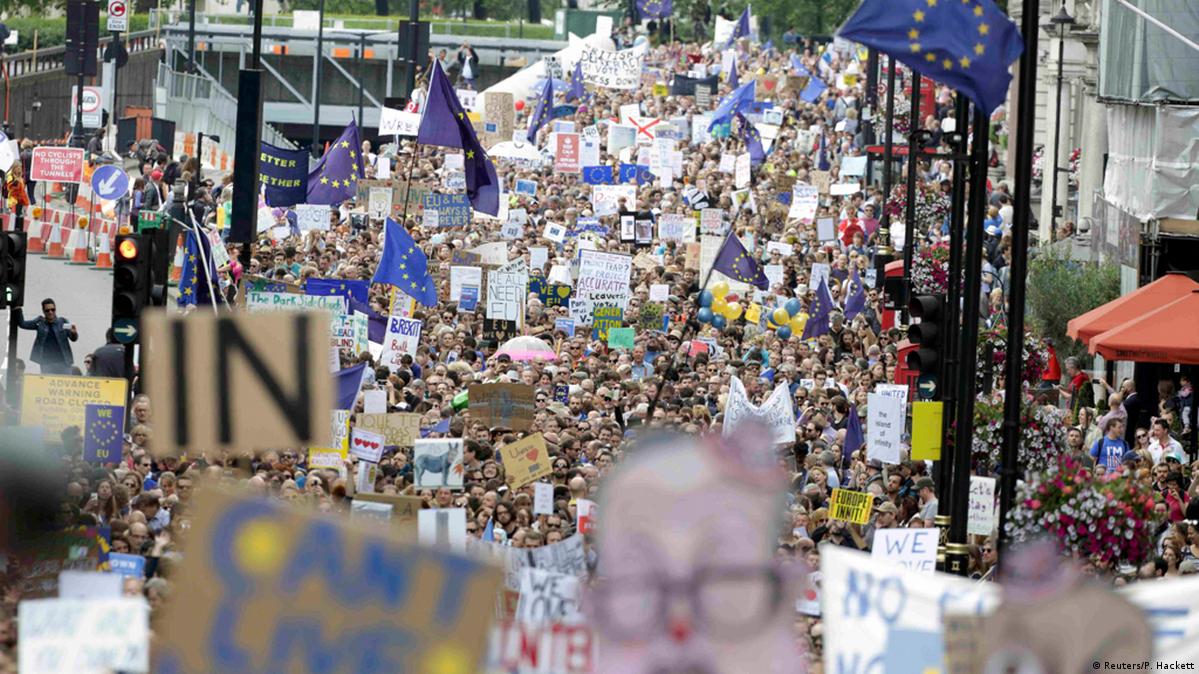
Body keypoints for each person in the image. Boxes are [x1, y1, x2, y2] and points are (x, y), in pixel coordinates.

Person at [16, 298, 79, 374]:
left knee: (64, 381)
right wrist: (17, 308)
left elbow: (73, 338)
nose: (50, 312)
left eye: (53, 309)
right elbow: (23, 324)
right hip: (47, 363)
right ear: (43, 311)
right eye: (47, 310)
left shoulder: (63, 321)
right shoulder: (40, 322)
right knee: (46, 381)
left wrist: (74, 333)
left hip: (64, 363)